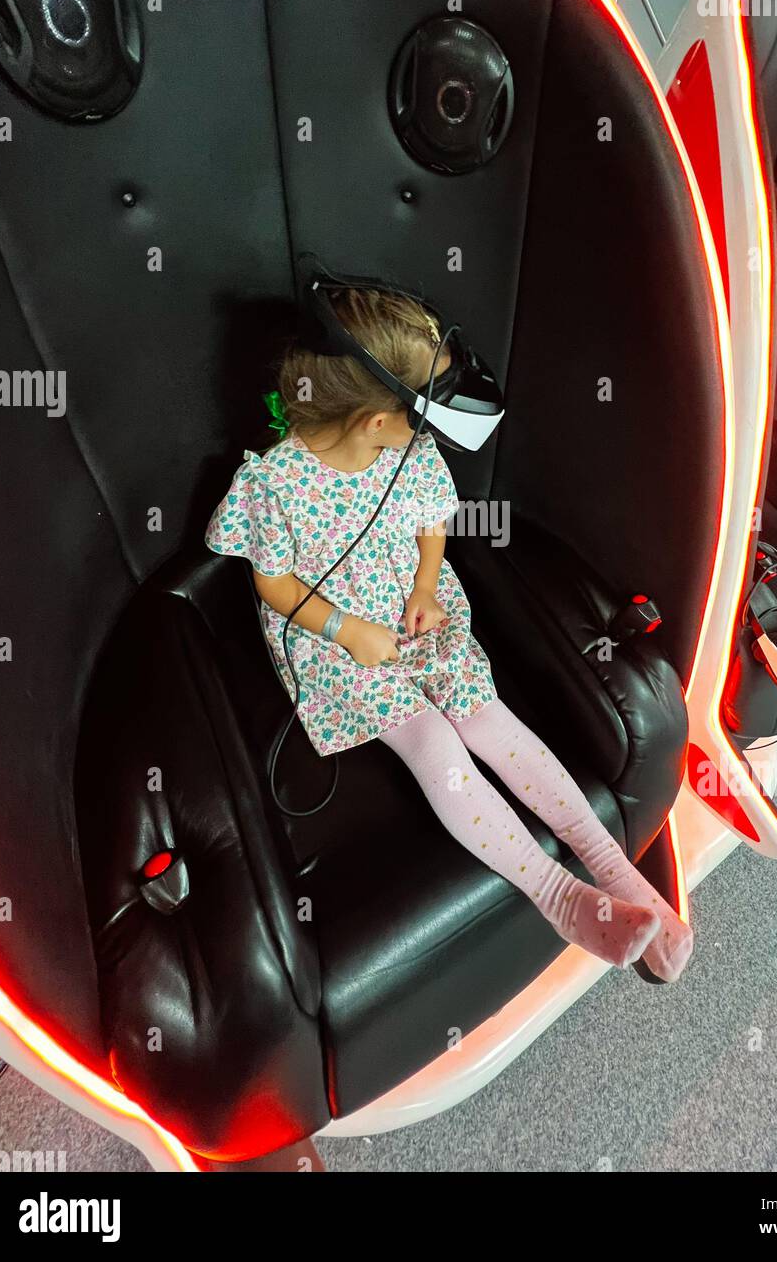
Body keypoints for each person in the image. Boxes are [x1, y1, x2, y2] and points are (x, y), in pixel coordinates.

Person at [205, 286, 693, 980]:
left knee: (484, 716)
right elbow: (273, 587)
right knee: (434, 741)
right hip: (335, 642)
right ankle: (556, 895)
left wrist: (426, 585)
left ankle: (614, 868)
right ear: (375, 421)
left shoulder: (407, 454)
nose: (423, 434)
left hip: (409, 609)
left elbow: (430, 521)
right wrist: (347, 632)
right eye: (416, 419)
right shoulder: (273, 486)